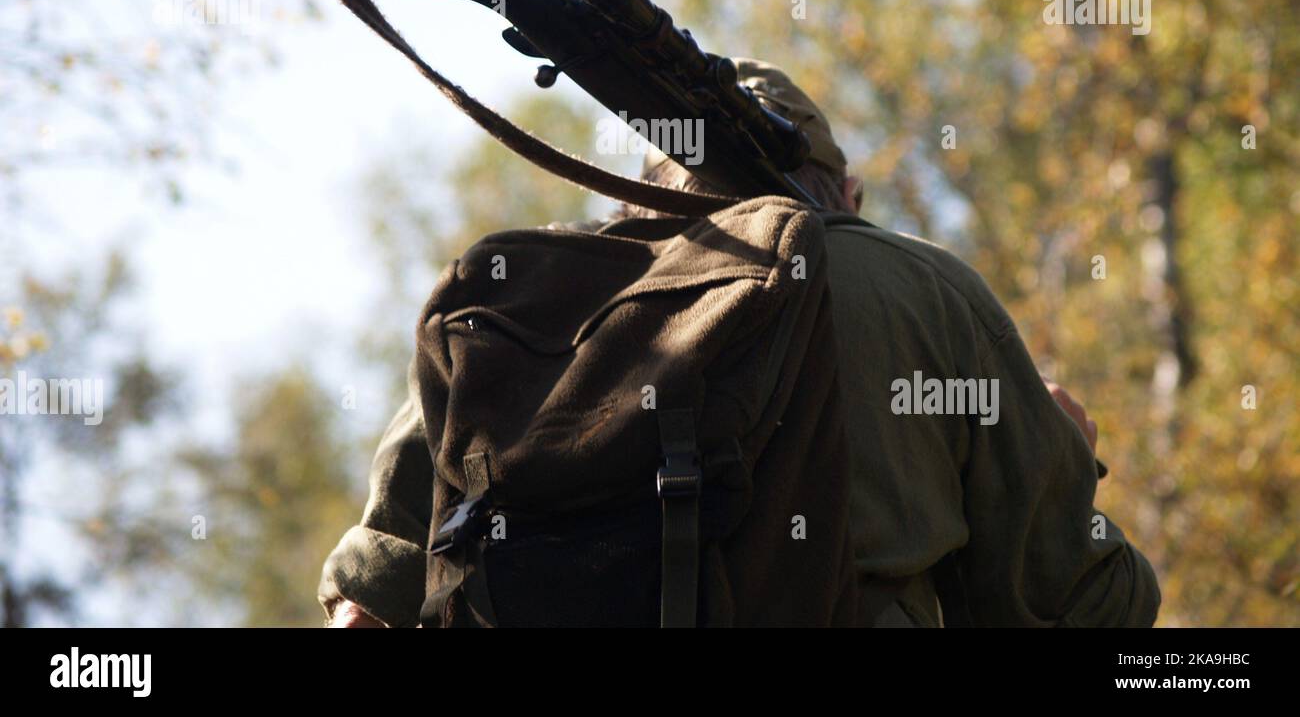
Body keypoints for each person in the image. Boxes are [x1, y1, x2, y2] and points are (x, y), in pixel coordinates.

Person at [319, 59, 1160, 627]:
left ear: (633, 197)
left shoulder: (529, 300)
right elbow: (1079, 607)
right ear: (849, 196)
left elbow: (369, 603)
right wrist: (1068, 461)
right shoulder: (922, 290)